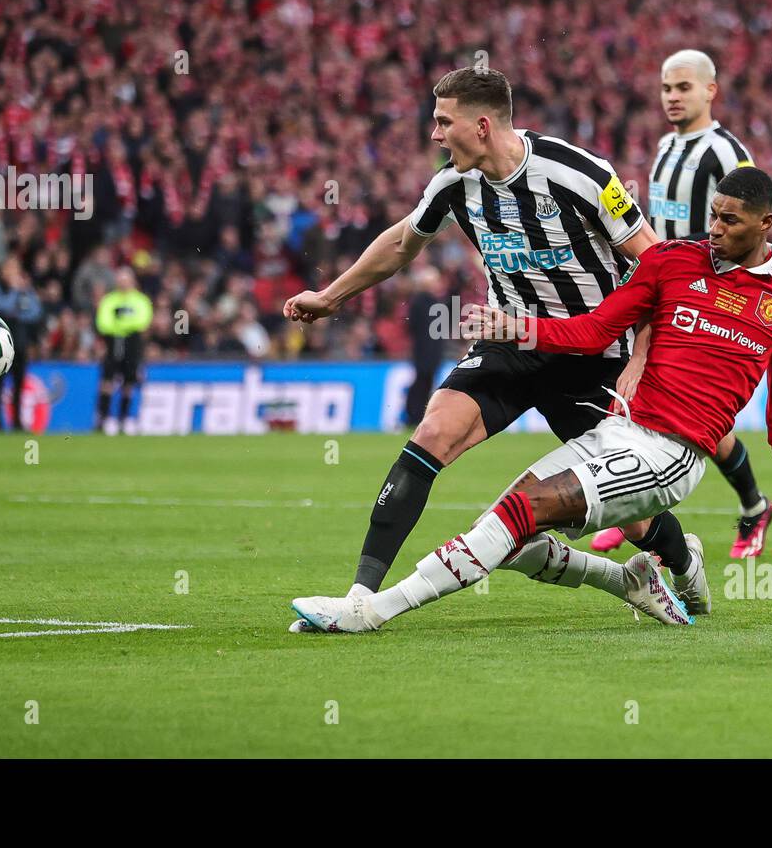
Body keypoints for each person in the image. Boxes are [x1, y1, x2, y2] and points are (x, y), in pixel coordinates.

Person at [291, 167, 772, 633]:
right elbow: (594, 331)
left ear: (765, 223)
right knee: (503, 533)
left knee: (520, 513)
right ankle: (625, 578)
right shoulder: (672, 262)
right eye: (714, 216)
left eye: (730, 221)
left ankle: (371, 612)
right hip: (619, 429)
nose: (716, 229)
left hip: (672, 453)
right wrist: (520, 328)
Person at [284, 67, 703, 632]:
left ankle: (678, 564)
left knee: (630, 516)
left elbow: (658, 267)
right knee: (433, 431)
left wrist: (640, 358)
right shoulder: (452, 184)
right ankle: (360, 596)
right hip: (512, 343)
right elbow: (404, 242)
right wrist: (332, 296)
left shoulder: (580, 174)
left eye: (442, 122)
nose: (434, 135)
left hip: (595, 353)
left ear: (481, 125)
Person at [593, 48, 772, 558]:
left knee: (695, 422)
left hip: (705, 303)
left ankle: (752, 507)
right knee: (649, 408)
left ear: (710, 91)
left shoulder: (725, 153)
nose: (673, 97)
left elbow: (746, 227)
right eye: (667, 88)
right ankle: (638, 511)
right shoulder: (664, 148)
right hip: (665, 292)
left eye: (684, 88)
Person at [0, 257, 42, 431]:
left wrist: (21, 300)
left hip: (19, 343)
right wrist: (16, 293)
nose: (13, 274)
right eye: (9, 270)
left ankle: (17, 423)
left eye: (15, 270)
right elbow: (2, 307)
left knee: (19, 384)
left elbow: (34, 312)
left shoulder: (26, 290)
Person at [95, 266, 153, 435]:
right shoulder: (110, 300)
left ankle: (123, 418)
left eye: (126, 280)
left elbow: (143, 321)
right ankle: (103, 418)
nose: (123, 283)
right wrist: (124, 326)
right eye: (121, 280)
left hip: (132, 343)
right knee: (107, 380)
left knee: (129, 381)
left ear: (132, 281)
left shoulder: (140, 300)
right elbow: (103, 323)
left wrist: (119, 325)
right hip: (112, 343)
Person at [405, 265, 447, 427]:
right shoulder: (421, 302)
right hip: (424, 351)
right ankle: (413, 416)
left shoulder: (431, 302)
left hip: (430, 351)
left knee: (425, 382)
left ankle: (417, 416)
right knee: (422, 382)